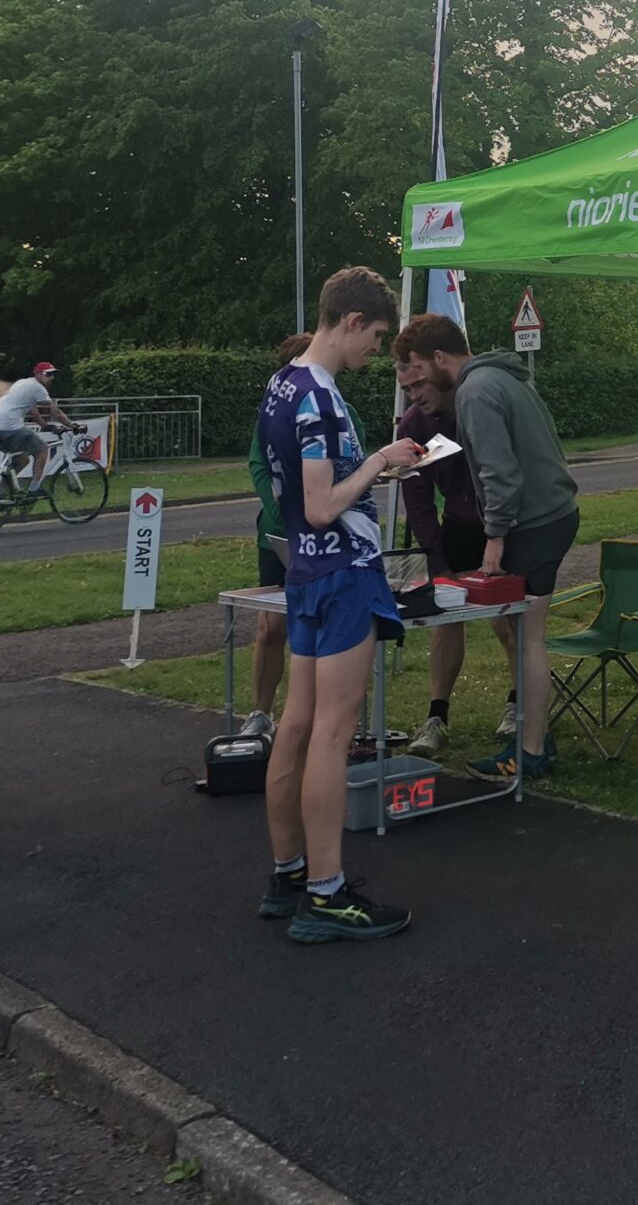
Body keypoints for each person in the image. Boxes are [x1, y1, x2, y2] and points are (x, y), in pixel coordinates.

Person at [257, 266, 424, 943]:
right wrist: (381, 461)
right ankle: (326, 895)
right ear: (352, 320)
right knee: (332, 732)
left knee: (297, 725)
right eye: (375, 338)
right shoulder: (320, 400)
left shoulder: (280, 384)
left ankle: (288, 874)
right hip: (342, 573)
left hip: (303, 575)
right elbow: (325, 504)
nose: (373, 356)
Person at [397, 314, 582, 785]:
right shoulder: (502, 376)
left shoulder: (476, 392)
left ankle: (530, 751)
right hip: (551, 514)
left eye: (419, 368)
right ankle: (533, 734)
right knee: (525, 633)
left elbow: (501, 473)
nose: (416, 381)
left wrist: (495, 536)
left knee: (528, 637)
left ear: (440, 358)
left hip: (534, 524)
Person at [389, 333, 513, 757]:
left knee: (505, 617)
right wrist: (436, 557)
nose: (414, 396)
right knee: (445, 617)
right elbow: (418, 500)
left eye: (418, 385)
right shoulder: (414, 426)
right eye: (405, 390)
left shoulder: (475, 403)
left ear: (435, 374)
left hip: (504, 522)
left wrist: (499, 534)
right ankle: (436, 716)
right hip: (458, 524)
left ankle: (520, 704)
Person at [239, 331, 312, 737]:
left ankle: (308, 716)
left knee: (314, 625)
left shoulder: (339, 410)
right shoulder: (269, 416)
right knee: (271, 627)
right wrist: (279, 508)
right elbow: (258, 465)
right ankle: (261, 712)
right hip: (277, 535)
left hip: (321, 537)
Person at [0, 360, 75, 493]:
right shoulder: (37, 388)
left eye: (53, 375)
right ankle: (34, 489)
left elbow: (32, 409)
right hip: (8, 426)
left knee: (21, 460)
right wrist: (72, 425)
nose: (51, 377)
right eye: (48, 374)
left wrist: (44, 425)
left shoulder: (22, 383)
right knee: (42, 449)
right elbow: (55, 412)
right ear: (38, 374)